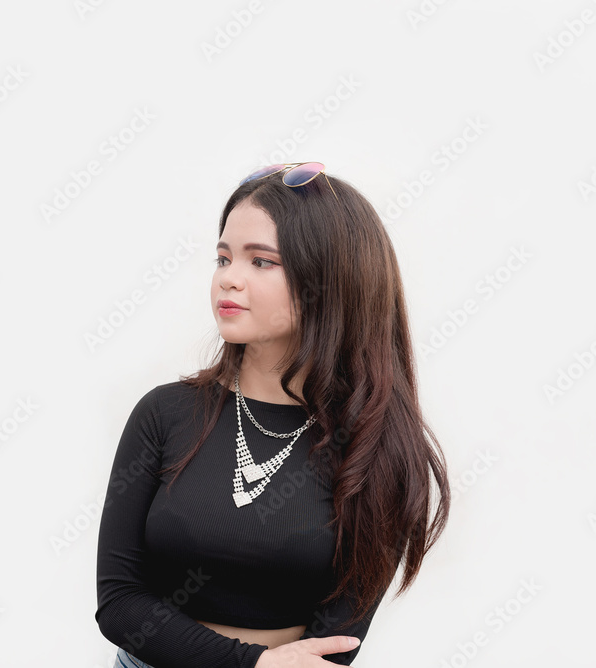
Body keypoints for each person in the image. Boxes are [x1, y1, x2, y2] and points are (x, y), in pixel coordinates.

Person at [94, 162, 451, 668]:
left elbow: (335, 644)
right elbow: (119, 602)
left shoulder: (378, 446)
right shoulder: (165, 414)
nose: (228, 280)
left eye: (261, 262)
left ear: (330, 280)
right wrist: (252, 664)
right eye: (223, 258)